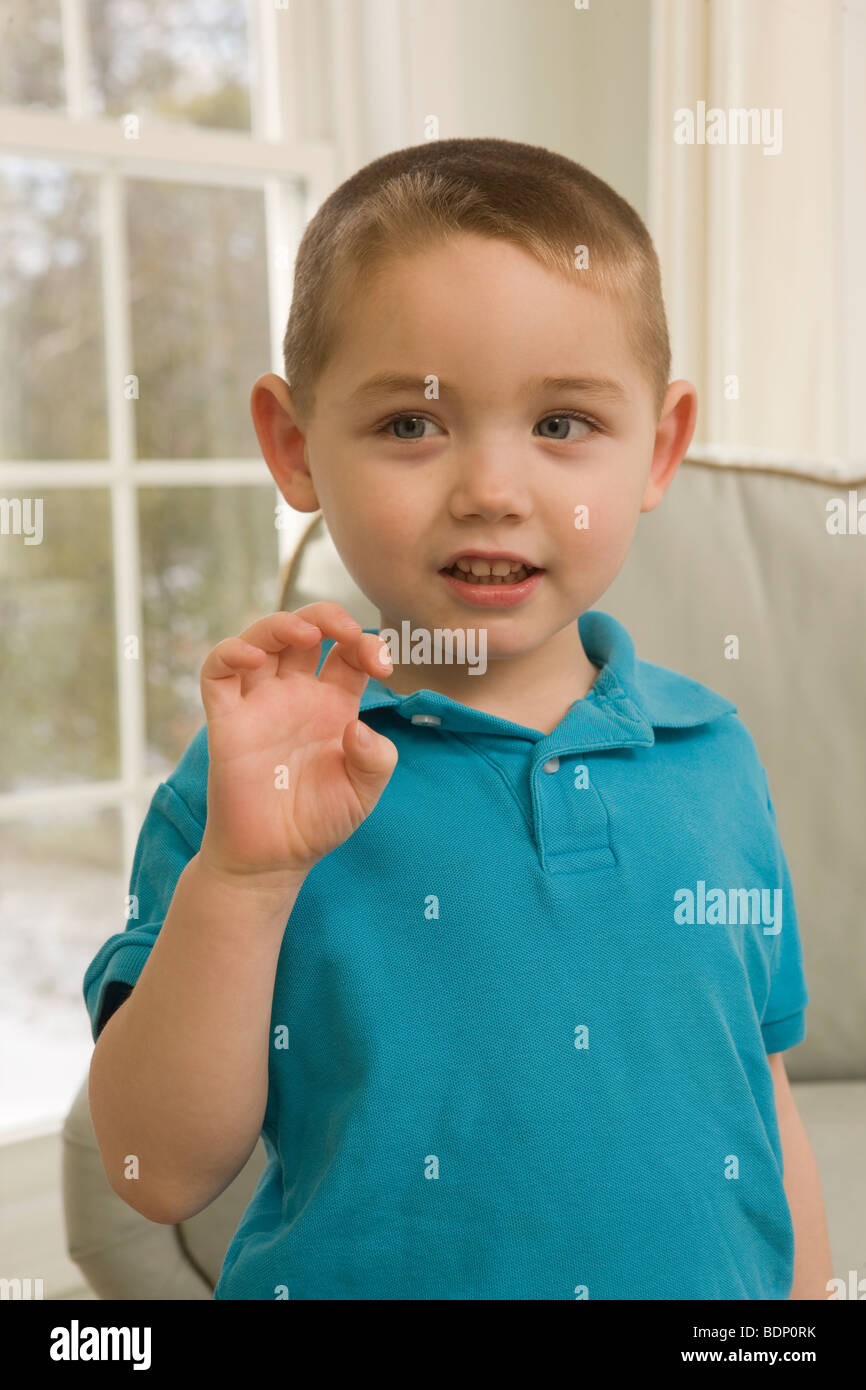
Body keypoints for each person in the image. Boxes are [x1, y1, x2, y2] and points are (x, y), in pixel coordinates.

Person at [84, 137, 833, 1300]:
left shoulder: (714, 758)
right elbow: (151, 1169)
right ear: (294, 447)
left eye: (562, 423)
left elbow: (757, 1086)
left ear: (659, 446)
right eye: (409, 426)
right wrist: (240, 883)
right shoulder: (254, 791)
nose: (491, 486)